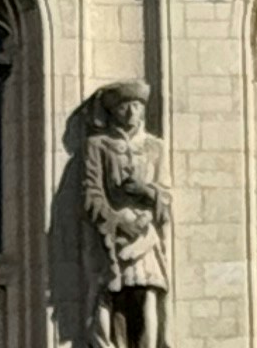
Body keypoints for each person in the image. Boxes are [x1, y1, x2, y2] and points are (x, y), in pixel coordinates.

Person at [82, 82, 171, 348]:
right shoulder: (98, 145)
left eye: (136, 106)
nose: (131, 113)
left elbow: (165, 193)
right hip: (115, 235)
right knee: (116, 292)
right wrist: (115, 220)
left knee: (148, 291)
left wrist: (146, 191)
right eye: (124, 107)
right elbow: (92, 192)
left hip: (145, 233)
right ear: (113, 111)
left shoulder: (155, 147)